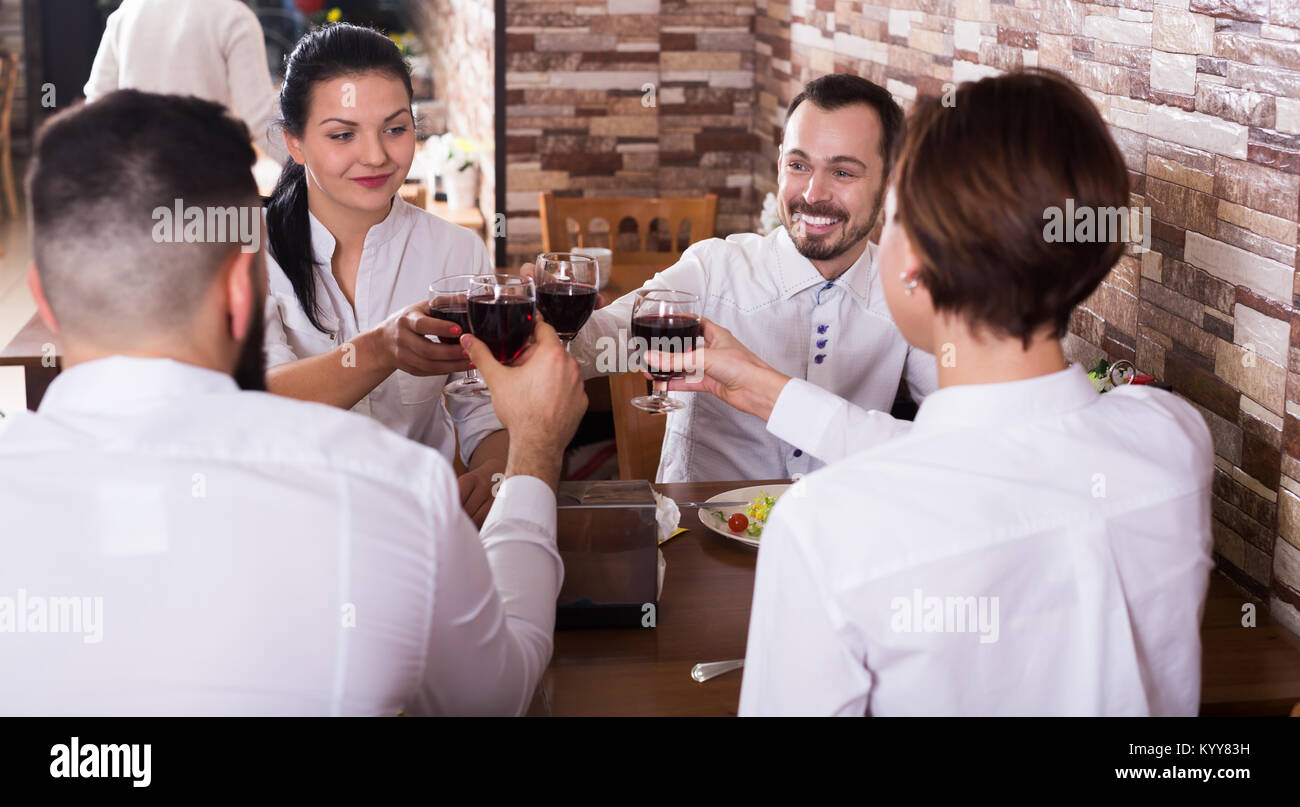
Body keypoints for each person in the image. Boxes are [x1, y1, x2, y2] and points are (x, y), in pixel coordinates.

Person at [0, 90, 587, 716]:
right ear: (240, 288)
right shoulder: (394, 489)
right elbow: (495, 700)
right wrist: (536, 451)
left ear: (43, 294)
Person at [649, 69, 1214, 715]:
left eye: (888, 218)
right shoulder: (1173, 438)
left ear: (912, 265)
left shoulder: (826, 530)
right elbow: (988, 463)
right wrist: (775, 393)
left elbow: (953, 468)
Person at [559, 74, 937, 484]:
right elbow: (600, 346)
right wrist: (547, 324)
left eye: (843, 173)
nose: (812, 193)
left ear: (888, 183)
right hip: (697, 541)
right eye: (798, 165)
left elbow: (958, 445)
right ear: (779, 165)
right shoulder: (712, 269)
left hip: (837, 539)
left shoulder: (907, 291)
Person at [261, 24, 503, 525]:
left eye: (395, 129)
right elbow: (258, 403)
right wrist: (381, 349)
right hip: (291, 526)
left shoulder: (457, 251)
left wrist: (493, 475)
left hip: (421, 527)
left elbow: (482, 405)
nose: (376, 156)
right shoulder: (248, 251)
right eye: (342, 135)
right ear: (295, 142)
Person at [84, 0, 284, 161]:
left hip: (137, 178)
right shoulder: (234, 17)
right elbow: (260, 120)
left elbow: (97, 106)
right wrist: (303, 165)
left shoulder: (127, 11)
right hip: (207, 180)